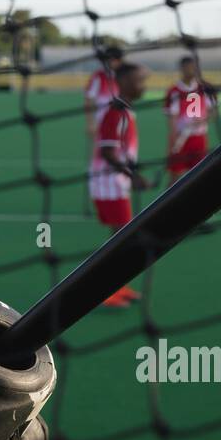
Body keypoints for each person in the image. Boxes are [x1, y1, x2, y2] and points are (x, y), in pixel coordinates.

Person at [90, 63, 153, 308]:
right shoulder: (115, 111)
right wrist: (132, 175)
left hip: (116, 182)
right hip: (109, 184)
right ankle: (105, 291)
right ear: (124, 82)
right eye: (138, 81)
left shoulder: (125, 110)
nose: (142, 86)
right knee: (120, 239)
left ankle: (117, 286)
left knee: (120, 237)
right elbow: (107, 152)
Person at [164, 55, 217, 184]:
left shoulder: (204, 88)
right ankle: (170, 203)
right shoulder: (174, 91)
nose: (192, 71)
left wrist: (203, 120)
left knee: (200, 176)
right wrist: (175, 138)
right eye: (188, 68)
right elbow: (172, 117)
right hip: (181, 138)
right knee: (175, 178)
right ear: (182, 69)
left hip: (199, 139)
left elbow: (213, 111)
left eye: (194, 68)